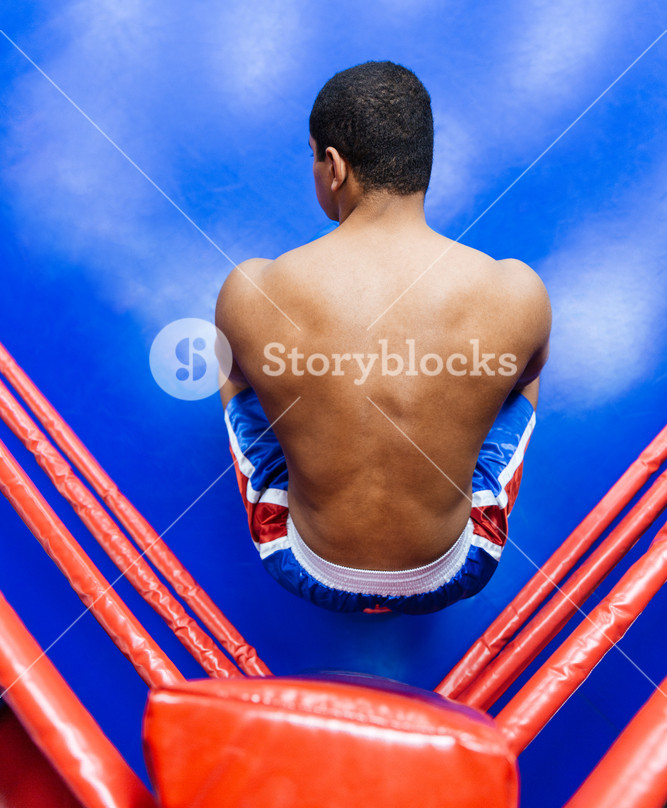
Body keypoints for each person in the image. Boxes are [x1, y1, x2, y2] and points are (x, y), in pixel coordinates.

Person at [216, 61, 551, 615]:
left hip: (303, 563)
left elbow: (234, 376)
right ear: (423, 166)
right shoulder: (515, 290)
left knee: (233, 364)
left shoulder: (253, 289)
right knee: (518, 373)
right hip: (456, 568)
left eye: (313, 157)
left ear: (334, 165)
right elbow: (529, 376)